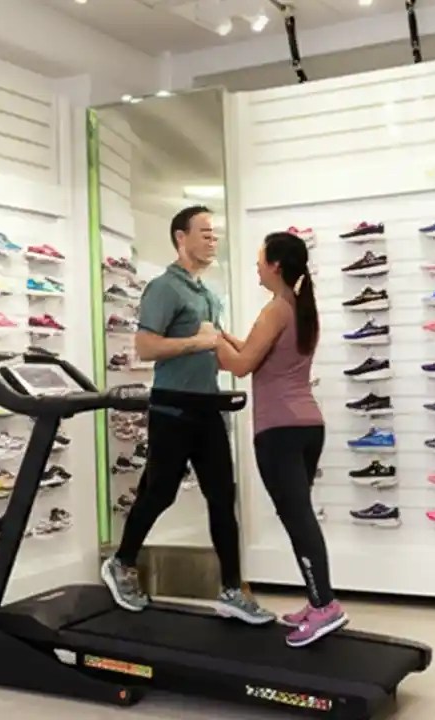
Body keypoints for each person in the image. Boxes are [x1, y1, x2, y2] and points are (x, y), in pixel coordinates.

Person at [100, 205, 275, 625]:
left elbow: (213, 349)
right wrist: (195, 345)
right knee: (159, 494)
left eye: (214, 233)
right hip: (171, 406)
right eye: (205, 232)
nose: (213, 239)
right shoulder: (164, 288)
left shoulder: (208, 293)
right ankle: (121, 563)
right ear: (182, 237)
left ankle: (232, 589)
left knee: (221, 496)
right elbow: (145, 348)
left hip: (206, 406)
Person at [214, 230, 346, 648]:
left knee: (298, 518)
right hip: (307, 426)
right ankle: (316, 600)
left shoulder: (275, 310)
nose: (256, 265)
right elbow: (258, 353)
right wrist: (226, 337)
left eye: (259, 259)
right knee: (298, 515)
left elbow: (241, 365)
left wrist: (208, 341)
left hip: (279, 431)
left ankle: (326, 606)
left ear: (275, 265)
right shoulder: (299, 307)